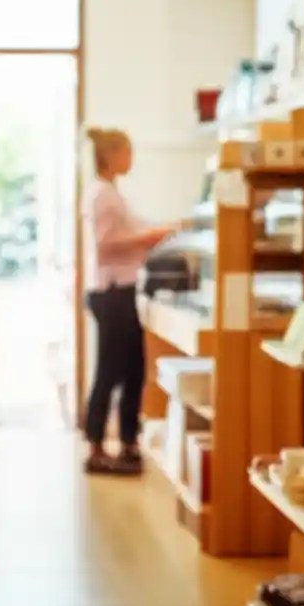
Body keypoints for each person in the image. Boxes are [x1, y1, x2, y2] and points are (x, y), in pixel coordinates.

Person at [82, 127, 178, 475]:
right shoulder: (101, 194)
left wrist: (159, 230)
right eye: (127, 152)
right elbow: (107, 243)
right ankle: (95, 445)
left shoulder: (111, 193)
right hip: (110, 291)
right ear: (110, 155)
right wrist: (152, 237)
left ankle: (128, 442)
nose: (131, 159)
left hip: (120, 289)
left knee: (134, 368)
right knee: (110, 370)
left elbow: (129, 230)